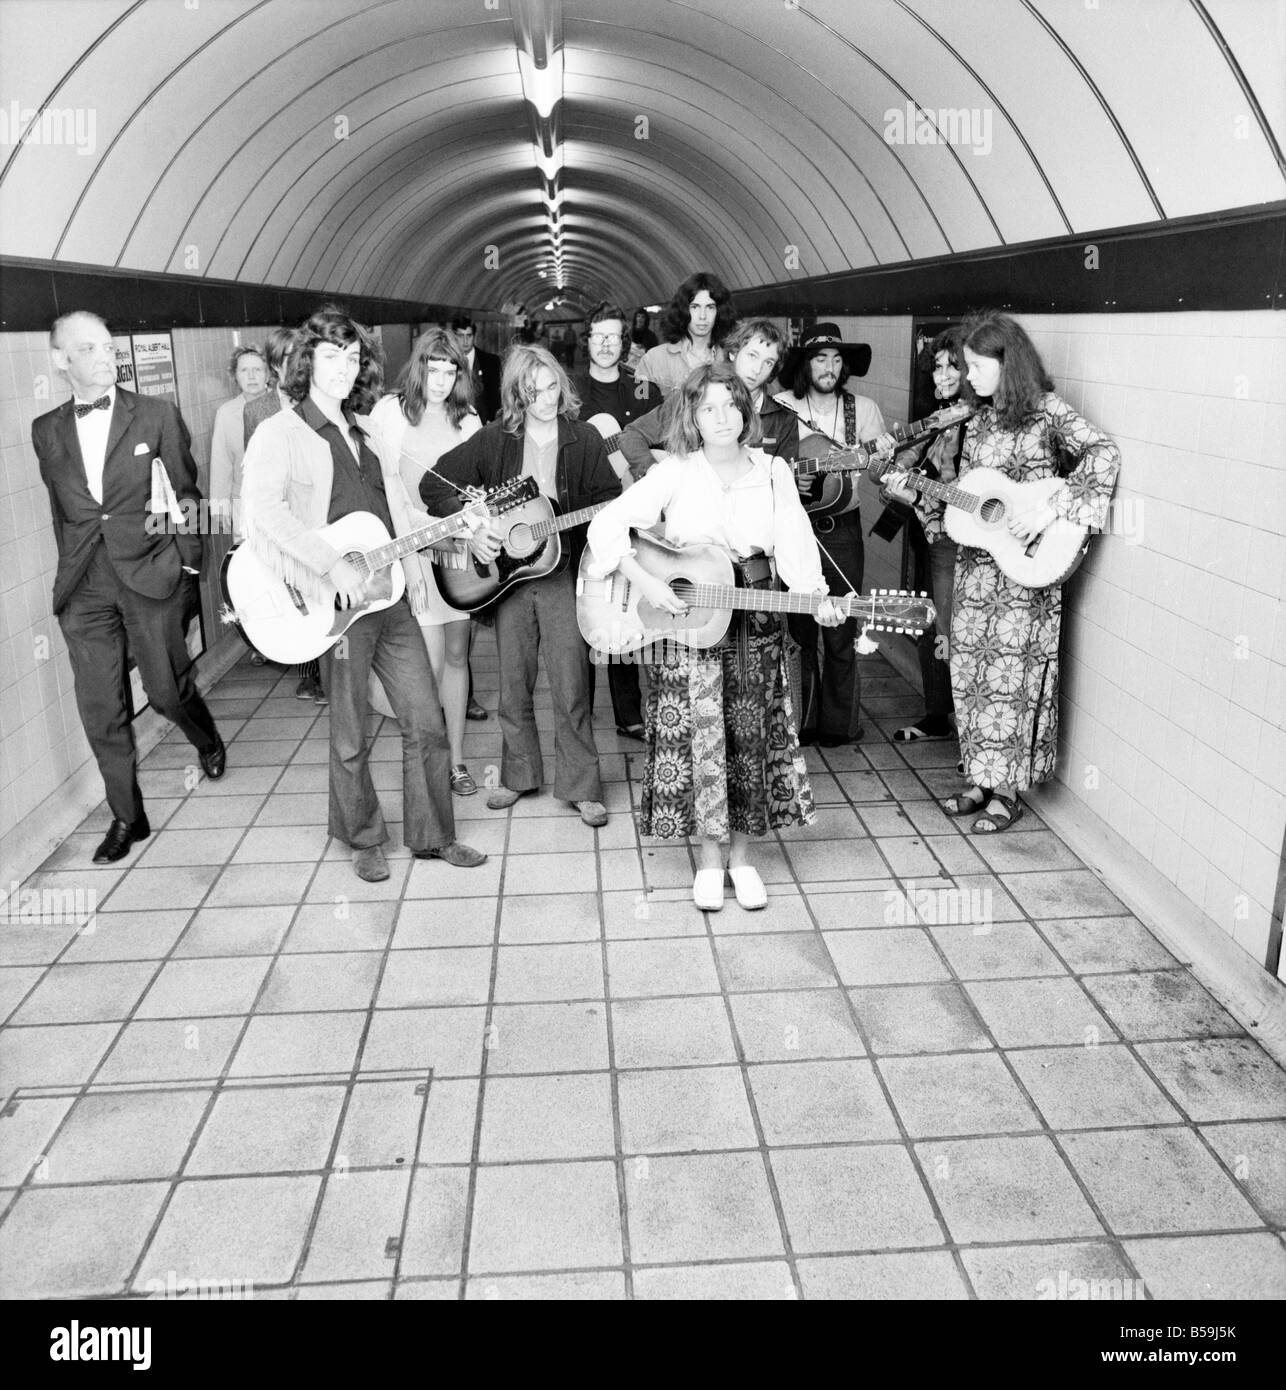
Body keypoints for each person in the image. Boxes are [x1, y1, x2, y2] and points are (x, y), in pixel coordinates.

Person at [586, 363, 845, 911]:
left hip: (755, 620)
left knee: (750, 741)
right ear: (693, 417)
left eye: (730, 405)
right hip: (688, 626)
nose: (721, 417)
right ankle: (707, 863)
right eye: (708, 408)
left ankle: (743, 860)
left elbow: (797, 550)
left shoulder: (774, 471)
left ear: (745, 411)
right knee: (700, 741)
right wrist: (647, 582)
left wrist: (818, 601)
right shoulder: (676, 471)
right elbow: (604, 527)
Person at [240, 306, 486, 880]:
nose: (344, 368)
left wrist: (426, 559)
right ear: (307, 362)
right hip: (335, 607)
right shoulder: (280, 433)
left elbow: (398, 509)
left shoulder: (368, 429)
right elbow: (264, 512)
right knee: (350, 731)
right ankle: (363, 836)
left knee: (424, 720)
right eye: (331, 356)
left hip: (391, 595)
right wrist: (332, 565)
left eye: (352, 358)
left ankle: (434, 835)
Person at [884, 310, 1120, 833]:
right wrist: (916, 495)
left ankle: (1007, 790)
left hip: (1023, 577)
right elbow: (966, 501)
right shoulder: (974, 418)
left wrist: (1054, 505)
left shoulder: (1047, 411)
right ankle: (978, 780)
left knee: (1011, 680)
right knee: (969, 672)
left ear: (1005, 361)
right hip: (976, 570)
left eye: (974, 365)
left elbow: (1104, 454)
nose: (967, 377)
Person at [33, 310, 226, 863]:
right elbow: (63, 512)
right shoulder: (45, 431)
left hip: (149, 573)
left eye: (108, 347)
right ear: (60, 359)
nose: (105, 356)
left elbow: (189, 497)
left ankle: (205, 736)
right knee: (101, 707)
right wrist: (70, 571)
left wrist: (188, 565)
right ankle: (128, 816)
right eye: (88, 349)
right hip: (85, 587)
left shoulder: (156, 415)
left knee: (166, 692)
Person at [421, 345, 619, 828]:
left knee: (572, 683)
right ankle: (518, 775)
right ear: (517, 394)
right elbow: (433, 486)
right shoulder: (494, 441)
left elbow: (611, 503)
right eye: (534, 392)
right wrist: (472, 528)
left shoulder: (586, 438)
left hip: (563, 574)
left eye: (552, 387)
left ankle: (581, 785)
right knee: (513, 684)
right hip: (508, 580)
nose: (546, 400)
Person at [368, 328, 482, 795]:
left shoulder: (468, 419)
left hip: (462, 558)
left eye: (449, 370)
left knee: (458, 656)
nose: (440, 380)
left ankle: (455, 762)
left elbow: (479, 488)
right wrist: (411, 562)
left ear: (460, 373)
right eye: (432, 369)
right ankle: (426, 758)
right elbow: (386, 492)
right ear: (419, 368)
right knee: (426, 666)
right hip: (414, 552)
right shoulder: (389, 414)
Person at [774, 322, 883, 747]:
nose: (830, 367)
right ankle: (799, 721)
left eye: (837, 359)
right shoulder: (779, 405)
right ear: (805, 363)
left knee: (842, 624)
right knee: (798, 629)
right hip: (793, 529)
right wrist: (788, 480)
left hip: (843, 528)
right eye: (821, 358)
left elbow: (879, 471)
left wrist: (888, 468)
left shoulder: (864, 409)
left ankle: (838, 725)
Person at [872, 328, 971, 743]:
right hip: (938, 542)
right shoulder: (936, 420)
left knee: (958, 632)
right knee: (936, 626)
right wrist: (886, 466)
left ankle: (973, 734)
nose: (942, 375)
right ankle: (937, 714)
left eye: (954, 366)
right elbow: (888, 471)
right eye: (937, 367)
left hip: (976, 544)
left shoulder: (983, 421)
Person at [570, 302, 664, 739]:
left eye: (613, 336)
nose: (606, 344)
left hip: (631, 517)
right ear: (586, 340)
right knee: (585, 611)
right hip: (581, 516)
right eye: (597, 335)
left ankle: (629, 714)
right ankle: (580, 715)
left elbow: (666, 443)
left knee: (624, 609)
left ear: (624, 341)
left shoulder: (644, 388)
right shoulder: (568, 391)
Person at [618, 317, 799, 479]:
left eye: (768, 362)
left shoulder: (783, 420)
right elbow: (632, 435)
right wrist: (652, 472)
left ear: (774, 369)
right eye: (752, 356)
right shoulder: (694, 395)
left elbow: (784, 488)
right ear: (733, 353)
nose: (757, 369)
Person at [634, 271, 737, 397]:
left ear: (719, 312)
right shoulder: (652, 360)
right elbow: (638, 408)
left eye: (710, 307)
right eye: (695, 307)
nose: (702, 316)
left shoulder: (730, 362)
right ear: (683, 310)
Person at [208, 345, 266, 527]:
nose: (251, 376)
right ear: (235, 376)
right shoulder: (226, 413)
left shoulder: (285, 407)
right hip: (244, 503)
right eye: (244, 370)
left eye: (257, 369)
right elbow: (221, 462)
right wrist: (219, 506)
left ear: (269, 374)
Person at [451, 314, 501, 423]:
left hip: (485, 425)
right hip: (456, 423)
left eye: (469, 336)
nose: (465, 341)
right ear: (454, 337)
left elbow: (497, 395)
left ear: (474, 336)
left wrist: (492, 419)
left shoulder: (491, 362)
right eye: (460, 336)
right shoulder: (448, 362)